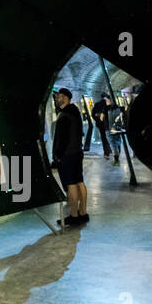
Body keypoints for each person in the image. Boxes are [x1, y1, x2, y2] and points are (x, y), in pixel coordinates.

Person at [51, 87, 88, 226]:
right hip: (77, 153)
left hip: (67, 155)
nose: (56, 99)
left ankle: (73, 215)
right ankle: (83, 213)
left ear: (65, 98)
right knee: (80, 181)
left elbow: (62, 139)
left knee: (71, 185)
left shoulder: (65, 115)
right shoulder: (75, 112)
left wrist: (58, 156)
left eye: (58, 96)